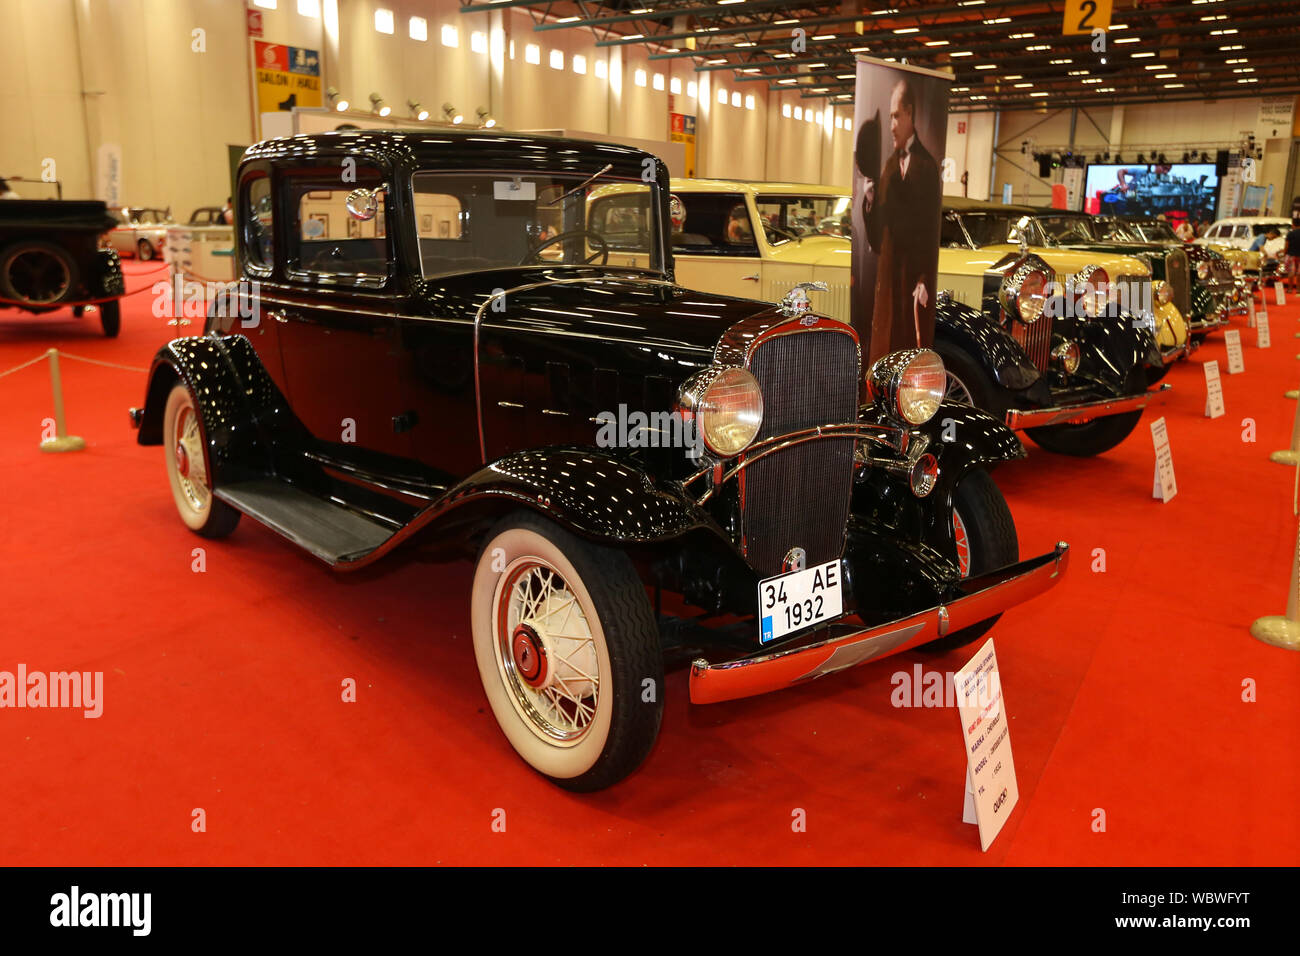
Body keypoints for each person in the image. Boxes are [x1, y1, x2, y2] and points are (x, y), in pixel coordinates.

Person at [861, 78, 940, 359]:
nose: (892, 125)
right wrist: (870, 202)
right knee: (884, 348)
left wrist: (923, 280)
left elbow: (930, 233)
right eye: (890, 117)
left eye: (896, 116)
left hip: (911, 282)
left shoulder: (928, 167)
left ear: (909, 113)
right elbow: (878, 236)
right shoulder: (888, 167)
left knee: (908, 349)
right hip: (888, 277)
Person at [1286, 220, 1300, 293]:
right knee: (1299, 273)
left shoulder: (1290, 233)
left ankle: (1290, 289)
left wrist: (1285, 253)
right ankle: (1298, 289)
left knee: (1291, 272)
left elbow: (1286, 245)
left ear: (1293, 225)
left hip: (1292, 255)